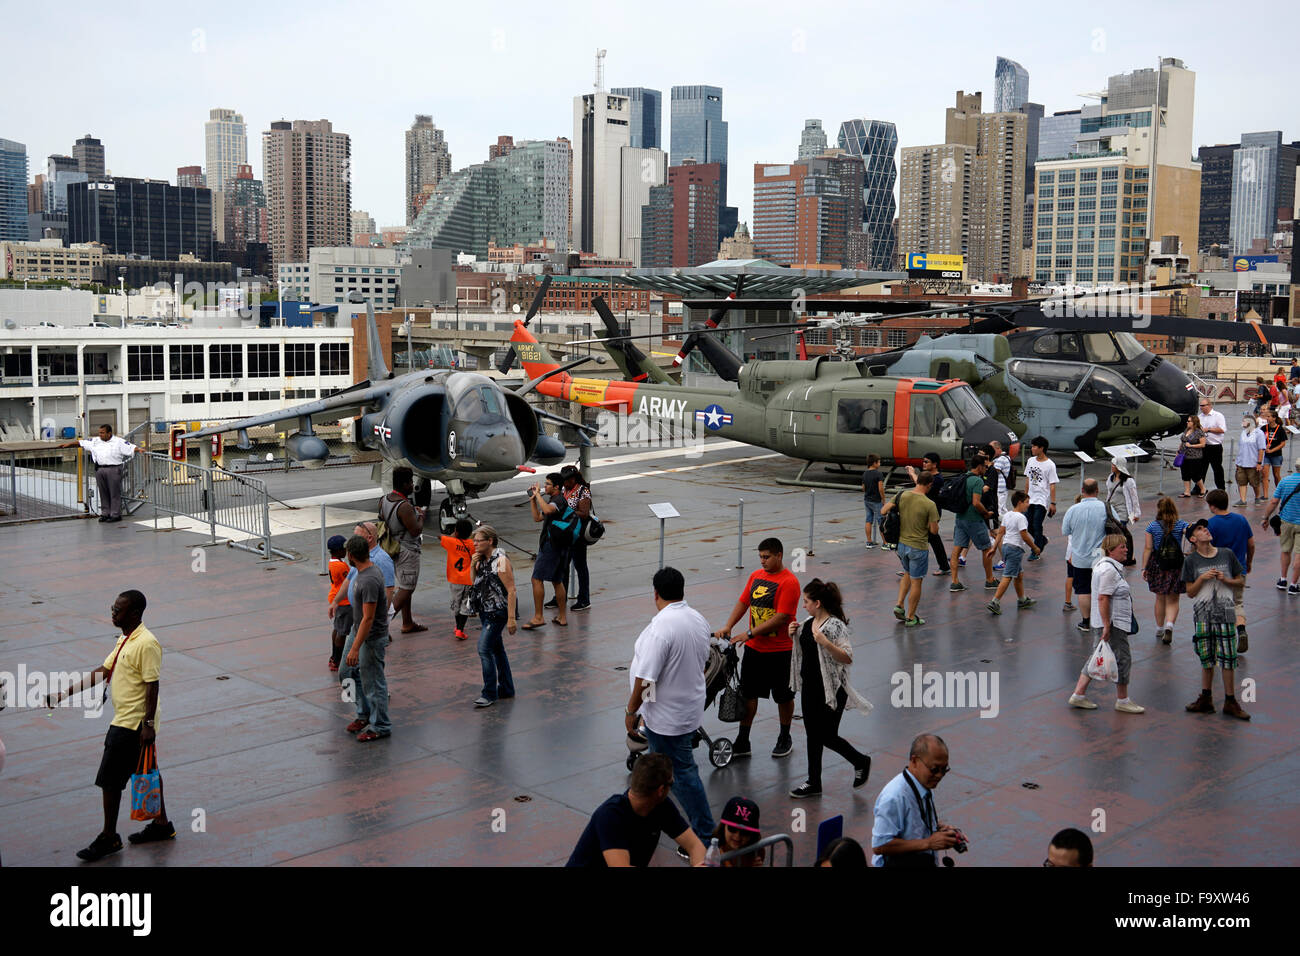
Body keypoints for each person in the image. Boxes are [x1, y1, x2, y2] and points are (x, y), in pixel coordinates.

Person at [47, 590, 174, 861]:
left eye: (118, 609)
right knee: (148, 770)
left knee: (109, 780)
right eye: (113, 608)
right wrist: (64, 693)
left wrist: (148, 726)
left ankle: (109, 837)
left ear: (135, 614)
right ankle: (162, 825)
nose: (113, 613)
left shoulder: (147, 643)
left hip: (132, 723)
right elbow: (104, 670)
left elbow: (153, 685)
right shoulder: (125, 639)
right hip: (129, 720)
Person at [626, 566, 714, 842]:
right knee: (662, 770)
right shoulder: (697, 619)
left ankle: (703, 832)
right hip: (686, 710)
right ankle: (656, 820)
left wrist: (632, 711)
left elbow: (646, 679)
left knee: (682, 774)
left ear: (655, 594)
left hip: (667, 719)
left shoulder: (661, 628)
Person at [712, 537, 800, 758]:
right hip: (755, 651)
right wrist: (729, 625)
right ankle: (743, 739)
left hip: (781, 651)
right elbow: (744, 602)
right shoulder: (755, 576)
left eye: (767, 557)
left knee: (783, 696)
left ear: (779, 555)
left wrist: (749, 633)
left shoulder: (789, 582)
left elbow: (781, 618)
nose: (763, 561)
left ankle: (784, 736)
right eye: (760, 557)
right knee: (748, 694)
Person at [786, 579, 872, 798]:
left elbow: (847, 657)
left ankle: (860, 760)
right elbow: (804, 652)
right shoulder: (807, 623)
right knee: (813, 736)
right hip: (810, 689)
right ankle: (814, 782)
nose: (803, 605)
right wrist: (793, 634)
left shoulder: (834, 626)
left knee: (825, 735)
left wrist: (826, 643)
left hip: (831, 690)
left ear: (817, 602)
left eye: (806, 601)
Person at [565, 753, 706, 867]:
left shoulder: (662, 806)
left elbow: (694, 845)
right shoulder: (610, 815)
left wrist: (700, 864)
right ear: (661, 790)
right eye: (671, 783)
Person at [1068, 534, 1144, 714]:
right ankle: (1123, 700)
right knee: (1123, 659)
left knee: (1096, 656)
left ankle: (1078, 694)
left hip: (1106, 622)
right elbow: (1103, 598)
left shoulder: (1104, 567)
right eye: (1122, 547)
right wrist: (1107, 625)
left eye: (1126, 546)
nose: (1126, 549)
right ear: (1110, 550)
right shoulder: (1109, 570)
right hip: (1113, 623)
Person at [1182, 520, 1249, 719]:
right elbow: (1190, 593)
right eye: (1200, 529)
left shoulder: (1226, 554)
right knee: (1206, 657)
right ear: (1193, 539)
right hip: (1203, 615)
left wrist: (1225, 580)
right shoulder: (1191, 561)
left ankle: (1230, 700)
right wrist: (1202, 578)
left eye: (1205, 528)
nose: (1206, 530)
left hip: (1226, 613)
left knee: (1229, 657)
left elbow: (1240, 581)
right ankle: (1206, 698)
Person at [870, 733, 961, 867]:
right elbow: (880, 845)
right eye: (934, 769)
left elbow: (913, 822)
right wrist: (928, 843)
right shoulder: (894, 797)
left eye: (944, 770)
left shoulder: (923, 785)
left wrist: (938, 828)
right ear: (914, 761)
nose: (940, 775)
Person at [344, 535, 392, 741]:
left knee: (373, 682)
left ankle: (380, 725)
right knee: (345, 673)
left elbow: (369, 618)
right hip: (358, 631)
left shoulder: (369, 579)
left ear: (351, 556)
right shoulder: (360, 571)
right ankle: (362, 713)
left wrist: (355, 648)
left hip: (370, 638)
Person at [882, 471, 940, 627]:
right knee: (917, 582)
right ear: (929, 485)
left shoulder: (903, 495)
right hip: (918, 547)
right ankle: (910, 616)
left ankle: (899, 604)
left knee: (907, 573)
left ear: (917, 481)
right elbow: (934, 531)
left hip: (901, 546)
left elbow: (883, 510)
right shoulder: (930, 504)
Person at [468, 524, 517, 707]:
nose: (475, 544)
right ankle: (506, 688)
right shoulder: (482, 559)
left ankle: (489, 693)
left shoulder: (501, 561)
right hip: (485, 610)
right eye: (474, 540)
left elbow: (511, 590)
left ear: (490, 541)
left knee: (484, 649)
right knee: (497, 650)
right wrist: (473, 565)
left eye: (478, 540)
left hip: (497, 612)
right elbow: (475, 583)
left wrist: (511, 619)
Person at [379, 467, 428, 634]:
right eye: (411, 483)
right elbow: (415, 530)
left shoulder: (384, 500)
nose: (412, 485)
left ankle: (407, 622)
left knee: (404, 584)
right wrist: (421, 517)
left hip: (390, 548)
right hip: (407, 550)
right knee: (407, 588)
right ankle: (380, 626)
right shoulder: (405, 506)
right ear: (405, 484)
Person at [59, 424, 137, 522]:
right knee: (103, 492)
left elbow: (131, 447)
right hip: (100, 469)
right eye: (99, 432)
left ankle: (115, 514)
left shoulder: (118, 441)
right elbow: (81, 443)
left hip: (114, 468)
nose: (100, 434)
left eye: (102, 433)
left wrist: (139, 449)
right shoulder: (95, 441)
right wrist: (69, 444)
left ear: (109, 433)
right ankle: (105, 513)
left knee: (114, 493)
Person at [1206, 489, 1254, 651]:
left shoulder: (1211, 524)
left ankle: (1222, 639)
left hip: (1218, 572)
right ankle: (1241, 630)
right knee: (1237, 603)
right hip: (1238, 568)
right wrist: (1249, 562)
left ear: (1213, 506)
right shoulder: (1241, 520)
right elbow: (1251, 544)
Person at [1061, 478, 1108, 633]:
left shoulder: (1073, 509)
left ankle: (1086, 621)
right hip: (1099, 555)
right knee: (1101, 589)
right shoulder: (1105, 507)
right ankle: (1101, 620)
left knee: (1083, 590)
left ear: (1082, 490)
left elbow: (1065, 531)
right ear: (1097, 490)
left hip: (1079, 556)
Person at [524, 473, 569, 629]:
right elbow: (537, 518)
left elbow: (548, 511)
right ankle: (562, 617)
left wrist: (537, 495)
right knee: (557, 580)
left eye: (548, 484)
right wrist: (533, 500)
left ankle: (538, 617)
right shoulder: (553, 500)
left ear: (557, 487)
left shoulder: (558, 501)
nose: (545, 486)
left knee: (536, 579)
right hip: (559, 545)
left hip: (552, 545)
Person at [1141, 497, 1189, 644]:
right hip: (1176, 564)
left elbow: (1148, 548)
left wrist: (1144, 567)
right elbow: (1192, 536)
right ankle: (1170, 625)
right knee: (1173, 599)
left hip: (1158, 564)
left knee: (1160, 597)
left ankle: (1159, 628)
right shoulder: (1181, 524)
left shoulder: (1152, 526)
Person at [949, 456, 997, 593]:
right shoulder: (977, 480)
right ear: (980, 466)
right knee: (987, 549)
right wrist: (986, 513)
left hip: (960, 518)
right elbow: (976, 502)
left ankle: (954, 582)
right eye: (985, 467)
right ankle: (989, 580)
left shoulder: (963, 477)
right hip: (974, 519)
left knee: (956, 549)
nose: (985, 469)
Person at [988, 490, 1040, 614]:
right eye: (1027, 502)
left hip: (1006, 547)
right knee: (1008, 576)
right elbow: (1024, 535)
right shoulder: (1021, 517)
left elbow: (1000, 532)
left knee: (1019, 574)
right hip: (1015, 549)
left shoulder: (1007, 515)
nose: (1028, 504)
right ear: (1020, 503)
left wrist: (994, 548)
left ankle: (1022, 599)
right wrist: (1035, 547)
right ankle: (995, 601)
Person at [905, 453, 950, 575]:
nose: (923, 463)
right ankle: (944, 565)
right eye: (923, 461)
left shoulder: (937, 479)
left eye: (927, 462)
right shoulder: (928, 476)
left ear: (934, 464)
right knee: (933, 539)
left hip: (932, 513)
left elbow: (920, 486)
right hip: (923, 512)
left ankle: (910, 568)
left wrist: (913, 473)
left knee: (925, 539)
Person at [1260, 456, 1300, 596]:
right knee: (1299, 554)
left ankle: (1283, 580)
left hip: (1286, 522)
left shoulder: (1285, 481)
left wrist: (1265, 518)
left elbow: (1274, 502)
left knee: (1285, 550)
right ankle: (1294, 585)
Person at [559, 464, 594, 611]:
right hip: (565, 533)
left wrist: (565, 512)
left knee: (580, 566)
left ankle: (584, 599)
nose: (564, 483)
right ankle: (561, 596)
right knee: (563, 567)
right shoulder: (563, 489)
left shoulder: (583, 491)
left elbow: (584, 513)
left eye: (566, 480)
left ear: (573, 479)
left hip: (577, 534)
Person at [438, 518, 475, 640]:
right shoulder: (471, 544)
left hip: (455, 580)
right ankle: (460, 629)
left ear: (456, 531)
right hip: (469, 580)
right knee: (465, 604)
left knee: (456, 604)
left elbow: (441, 537)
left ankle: (457, 626)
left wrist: (454, 534)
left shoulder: (451, 542)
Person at [1024, 436, 1058, 558]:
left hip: (1042, 500)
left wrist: (1053, 503)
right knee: (1028, 525)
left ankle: (1036, 551)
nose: (1032, 448)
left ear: (1041, 448)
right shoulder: (1030, 461)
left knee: (1037, 525)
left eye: (1034, 446)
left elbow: (1052, 485)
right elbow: (1028, 480)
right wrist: (1024, 497)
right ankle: (1042, 540)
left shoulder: (1050, 465)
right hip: (1030, 498)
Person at [1105, 458, 1141, 566]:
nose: (1112, 466)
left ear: (1119, 466)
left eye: (1114, 465)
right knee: (1111, 534)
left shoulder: (1128, 481)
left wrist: (1136, 513)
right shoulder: (1110, 478)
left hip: (1122, 511)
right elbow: (1109, 493)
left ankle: (1125, 556)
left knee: (1120, 535)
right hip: (1111, 510)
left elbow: (1134, 498)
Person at [710, 796, 764, 866]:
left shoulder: (757, 850)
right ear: (723, 827)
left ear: (752, 834)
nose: (737, 836)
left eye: (745, 832)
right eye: (732, 828)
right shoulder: (712, 850)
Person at [326, 534, 352, 671]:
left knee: (337, 628)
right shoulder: (341, 567)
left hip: (337, 598)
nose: (346, 551)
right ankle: (337, 659)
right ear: (338, 550)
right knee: (342, 632)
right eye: (344, 549)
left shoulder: (333, 563)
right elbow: (349, 581)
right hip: (344, 602)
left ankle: (334, 656)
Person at [1235, 414, 1267, 506]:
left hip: (1253, 462)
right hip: (1242, 462)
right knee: (1242, 481)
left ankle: (1257, 496)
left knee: (1254, 482)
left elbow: (1261, 449)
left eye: (1244, 421)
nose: (1242, 422)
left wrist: (1259, 463)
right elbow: (1240, 447)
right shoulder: (1243, 432)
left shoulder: (1259, 433)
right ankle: (1243, 500)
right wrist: (1237, 461)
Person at [1198, 397, 1227, 490]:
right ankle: (1199, 488)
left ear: (1209, 405)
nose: (1201, 408)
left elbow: (1222, 429)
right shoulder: (1200, 417)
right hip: (1203, 446)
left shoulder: (1218, 416)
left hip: (1215, 447)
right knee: (1201, 468)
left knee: (1217, 468)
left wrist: (1208, 429)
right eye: (1200, 406)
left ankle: (1221, 487)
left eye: (1203, 405)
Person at [1261, 408, 1288, 498]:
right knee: (1264, 474)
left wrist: (1272, 450)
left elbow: (1283, 443)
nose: (1267, 418)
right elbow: (1259, 439)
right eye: (1266, 417)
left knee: (1276, 475)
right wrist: (1264, 447)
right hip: (1266, 455)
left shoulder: (1280, 429)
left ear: (1274, 418)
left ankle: (1279, 493)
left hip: (1276, 455)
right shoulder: (1264, 428)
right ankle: (1265, 495)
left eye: (1269, 417)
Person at [1178, 415, 1207, 498]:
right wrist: (1179, 451)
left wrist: (1191, 446)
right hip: (1184, 455)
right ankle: (1187, 491)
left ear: (1194, 422)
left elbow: (1203, 444)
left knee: (1195, 474)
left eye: (1189, 421)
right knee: (1185, 473)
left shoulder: (1199, 432)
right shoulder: (1186, 430)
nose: (1187, 422)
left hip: (1194, 456)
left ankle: (1203, 489)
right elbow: (1182, 441)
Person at [861, 453, 885, 550]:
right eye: (879, 462)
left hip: (867, 500)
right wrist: (883, 499)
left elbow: (863, 488)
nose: (879, 464)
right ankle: (885, 543)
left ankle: (869, 542)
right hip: (876, 500)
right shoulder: (878, 474)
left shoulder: (865, 474)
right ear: (875, 463)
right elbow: (881, 488)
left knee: (868, 520)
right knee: (881, 521)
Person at [990, 439, 1013, 520]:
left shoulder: (1001, 459)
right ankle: (1009, 523)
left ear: (998, 448)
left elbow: (994, 470)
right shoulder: (1003, 457)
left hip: (1000, 488)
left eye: (991, 449)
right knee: (1002, 509)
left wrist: (988, 464)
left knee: (999, 510)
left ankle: (1006, 525)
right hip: (1001, 488)